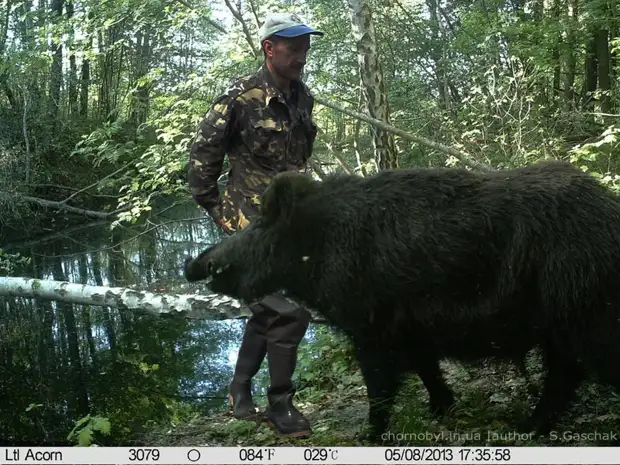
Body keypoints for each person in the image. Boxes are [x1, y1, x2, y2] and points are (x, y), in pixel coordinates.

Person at [187, 12, 324, 438]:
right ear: (270, 48)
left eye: (305, 45)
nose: (302, 54)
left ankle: (238, 389)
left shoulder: (303, 97)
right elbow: (200, 163)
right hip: (246, 228)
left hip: (288, 225)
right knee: (290, 313)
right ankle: (281, 405)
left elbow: (298, 161)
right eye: (293, 46)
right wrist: (223, 217)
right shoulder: (239, 97)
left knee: (269, 311)